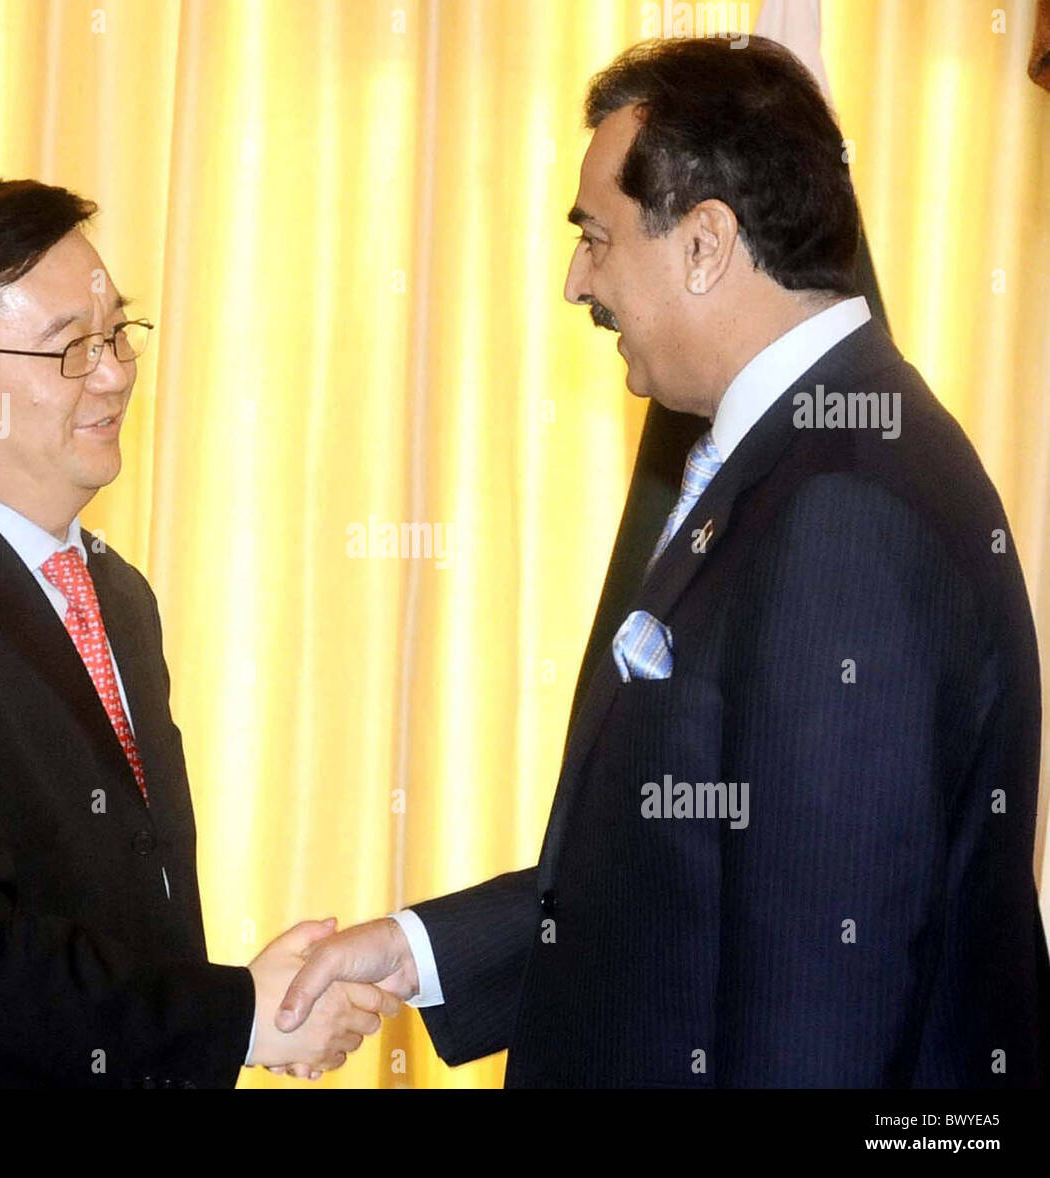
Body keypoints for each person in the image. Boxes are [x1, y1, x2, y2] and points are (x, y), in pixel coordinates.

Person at [276, 36, 1048, 1088]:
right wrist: (413, 951)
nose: (572, 280)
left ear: (703, 242)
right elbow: (667, 870)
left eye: (595, 236)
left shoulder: (841, 511)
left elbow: (822, 1013)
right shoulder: (803, 453)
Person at [0, 178, 397, 1088]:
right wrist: (238, 1016)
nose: (112, 373)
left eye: (115, 335)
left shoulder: (114, 591)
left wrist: (230, 1017)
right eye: (68, 349)